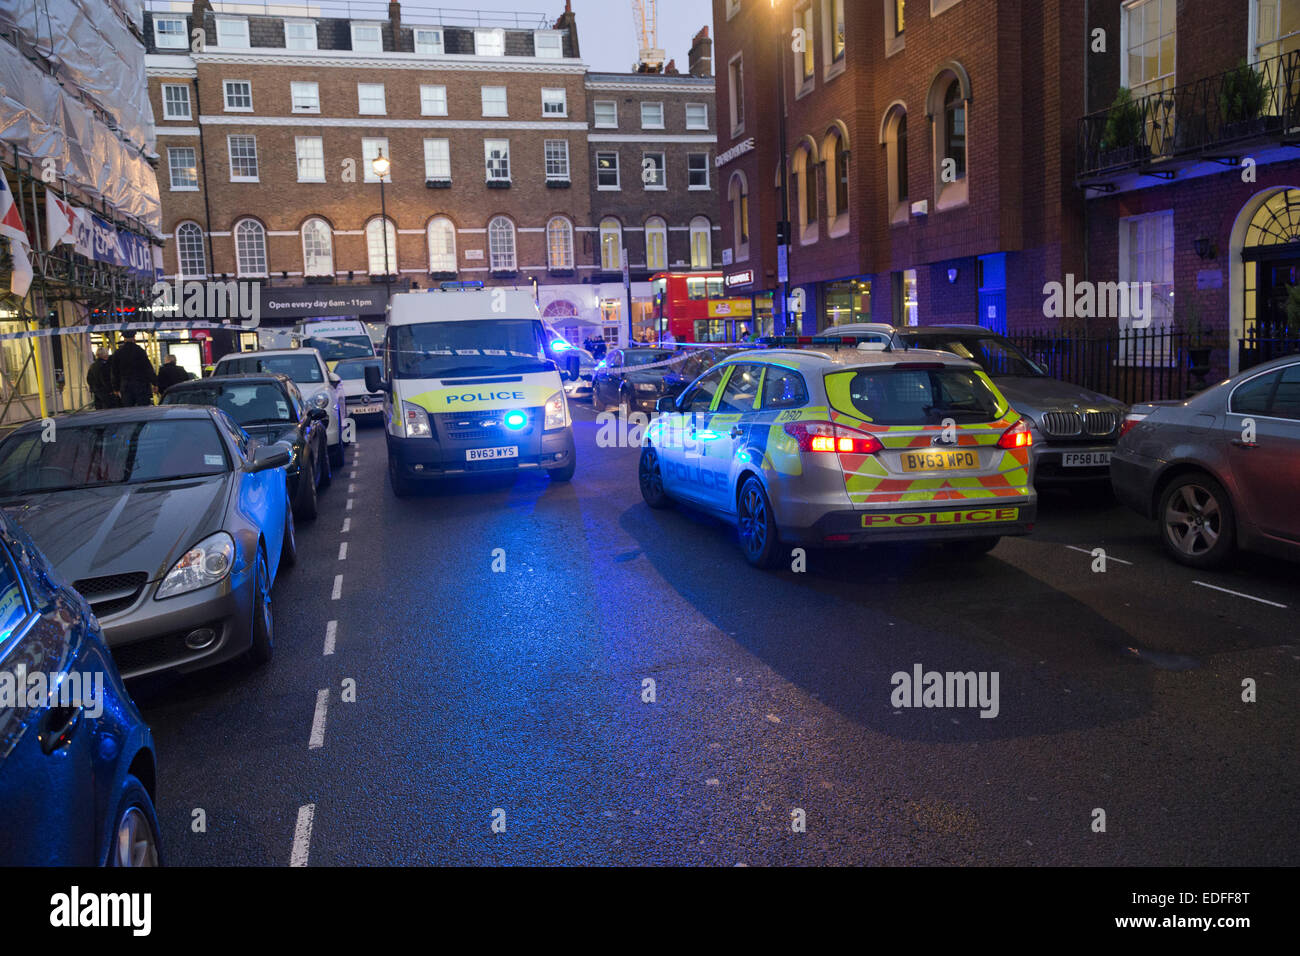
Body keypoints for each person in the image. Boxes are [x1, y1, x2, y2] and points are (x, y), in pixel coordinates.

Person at [110, 331, 157, 407]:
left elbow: (114, 372)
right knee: (144, 409)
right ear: (134, 338)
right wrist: (155, 383)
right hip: (141, 385)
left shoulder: (118, 353)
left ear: (124, 339)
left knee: (128, 410)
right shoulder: (140, 351)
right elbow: (148, 368)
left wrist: (115, 388)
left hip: (125, 386)